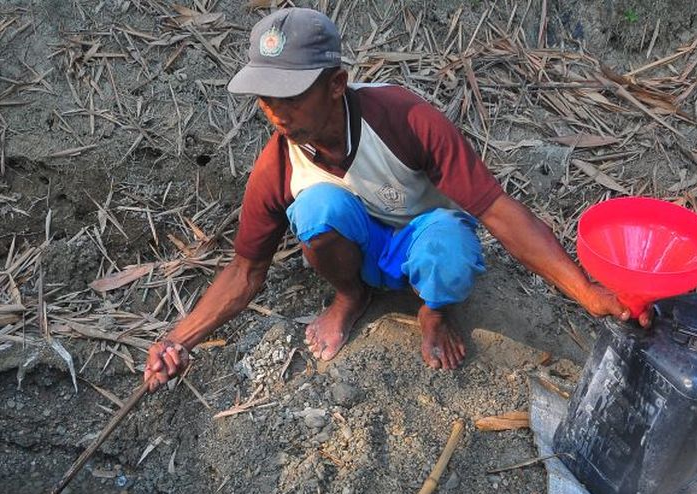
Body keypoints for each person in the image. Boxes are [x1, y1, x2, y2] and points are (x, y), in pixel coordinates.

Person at [144, 7, 637, 391]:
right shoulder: (277, 163)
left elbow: (496, 209)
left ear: (336, 84)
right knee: (316, 209)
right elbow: (244, 271)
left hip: (424, 238)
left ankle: (434, 309)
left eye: (290, 95)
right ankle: (351, 296)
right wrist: (176, 341)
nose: (274, 111)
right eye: (265, 97)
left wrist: (587, 291)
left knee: (449, 246)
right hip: (361, 254)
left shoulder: (403, 118)